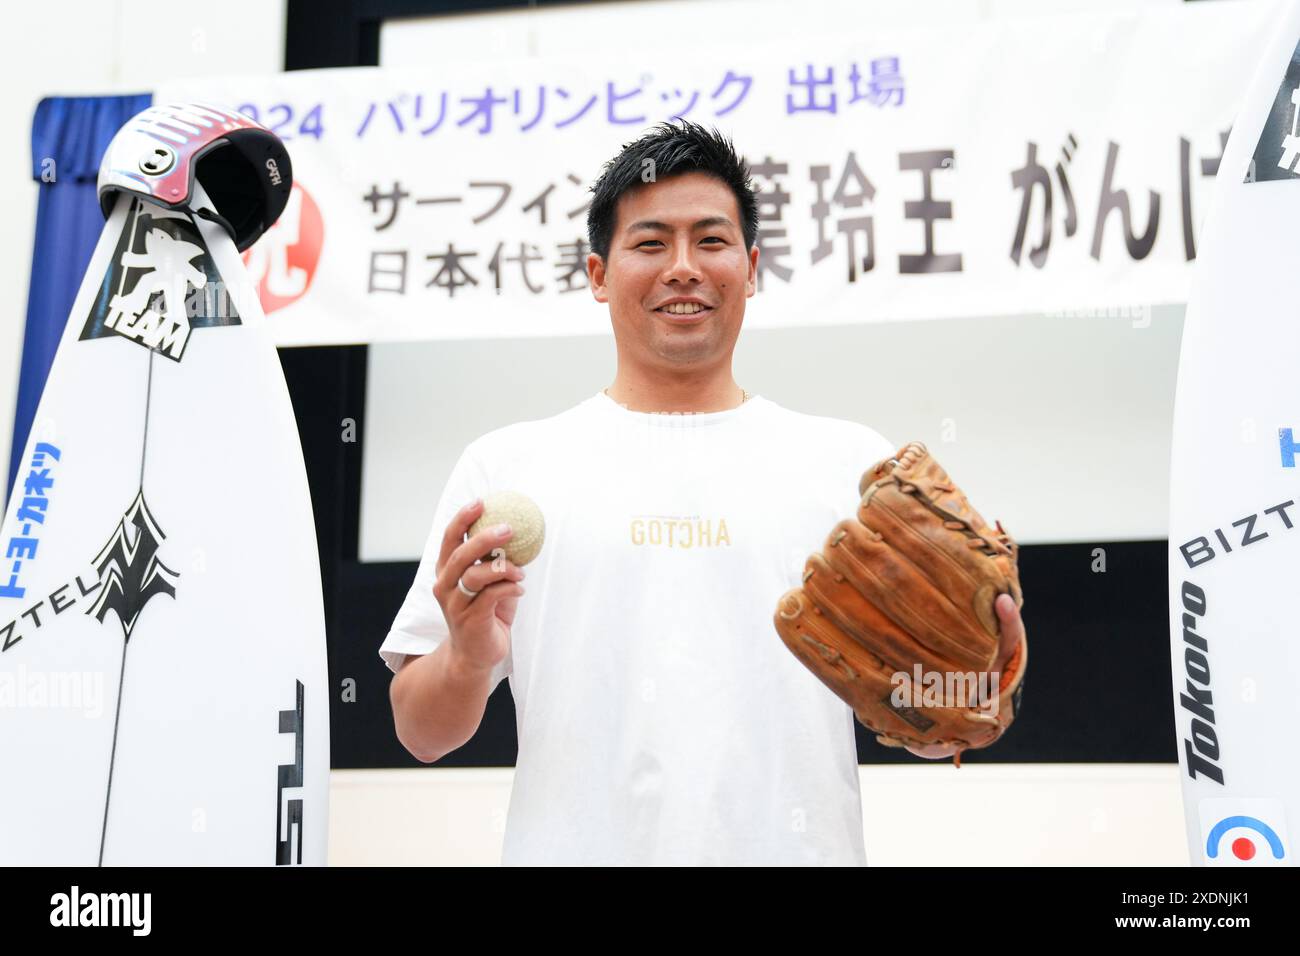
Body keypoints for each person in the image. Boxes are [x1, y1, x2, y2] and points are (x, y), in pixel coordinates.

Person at [381, 120, 1026, 865]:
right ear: (597, 274)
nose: (683, 267)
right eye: (651, 243)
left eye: (711, 242)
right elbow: (421, 733)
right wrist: (464, 657)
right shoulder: (505, 469)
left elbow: (926, 722)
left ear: (750, 267)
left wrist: (975, 685)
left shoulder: (854, 469)